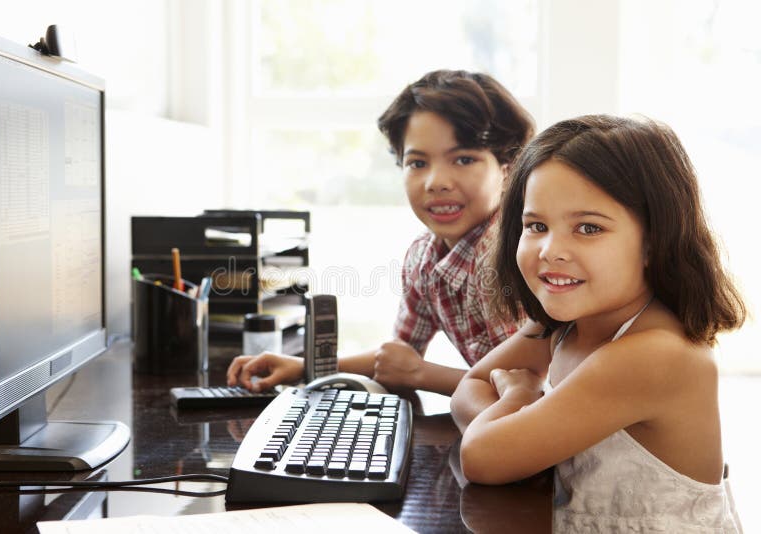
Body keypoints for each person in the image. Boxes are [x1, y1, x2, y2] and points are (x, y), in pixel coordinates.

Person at [450, 115, 745, 532]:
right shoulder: (565, 325)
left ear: (654, 242)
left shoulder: (653, 355)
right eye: (536, 226)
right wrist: (517, 433)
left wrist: (518, 396)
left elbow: (480, 455)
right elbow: (468, 389)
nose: (551, 250)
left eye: (588, 228)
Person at [227, 69, 534, 396]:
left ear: (508, 168)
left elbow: (529, 390)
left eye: (463, 159)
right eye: (417, 163)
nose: (436, 182)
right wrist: (304, 367)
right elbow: (396, 359)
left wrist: (421, 374)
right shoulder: (424, 257)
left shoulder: (510, 252)